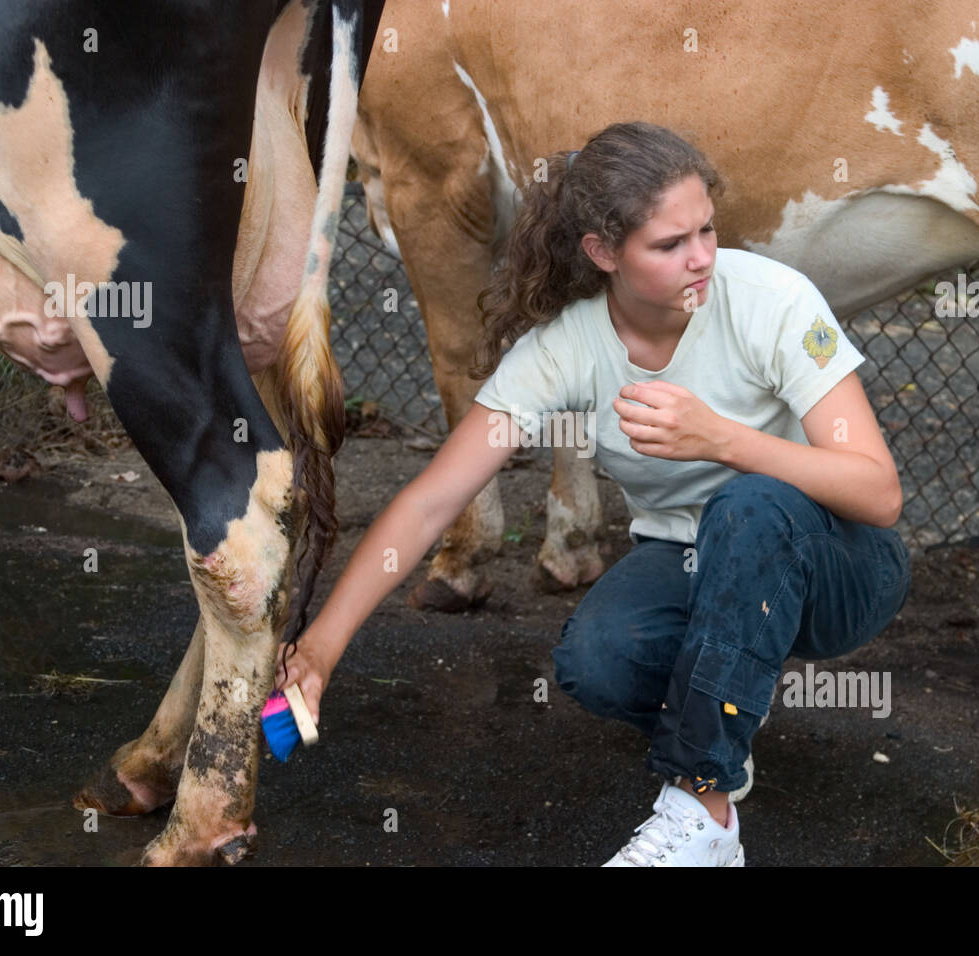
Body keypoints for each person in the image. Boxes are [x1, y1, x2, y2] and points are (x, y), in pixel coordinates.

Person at [274, 121, 912, 867]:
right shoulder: (567, 347)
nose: (701, 257)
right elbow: (431, 502)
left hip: (841, 565)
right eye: (670, 245)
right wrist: (321, 646)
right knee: (596, 659)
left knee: (749, 505)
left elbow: (880, 494)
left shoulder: (772, 301)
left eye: (706, 229)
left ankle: (702, 809)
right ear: (603, 253)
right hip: (692, 561)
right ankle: (722, 734)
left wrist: (721, 439)